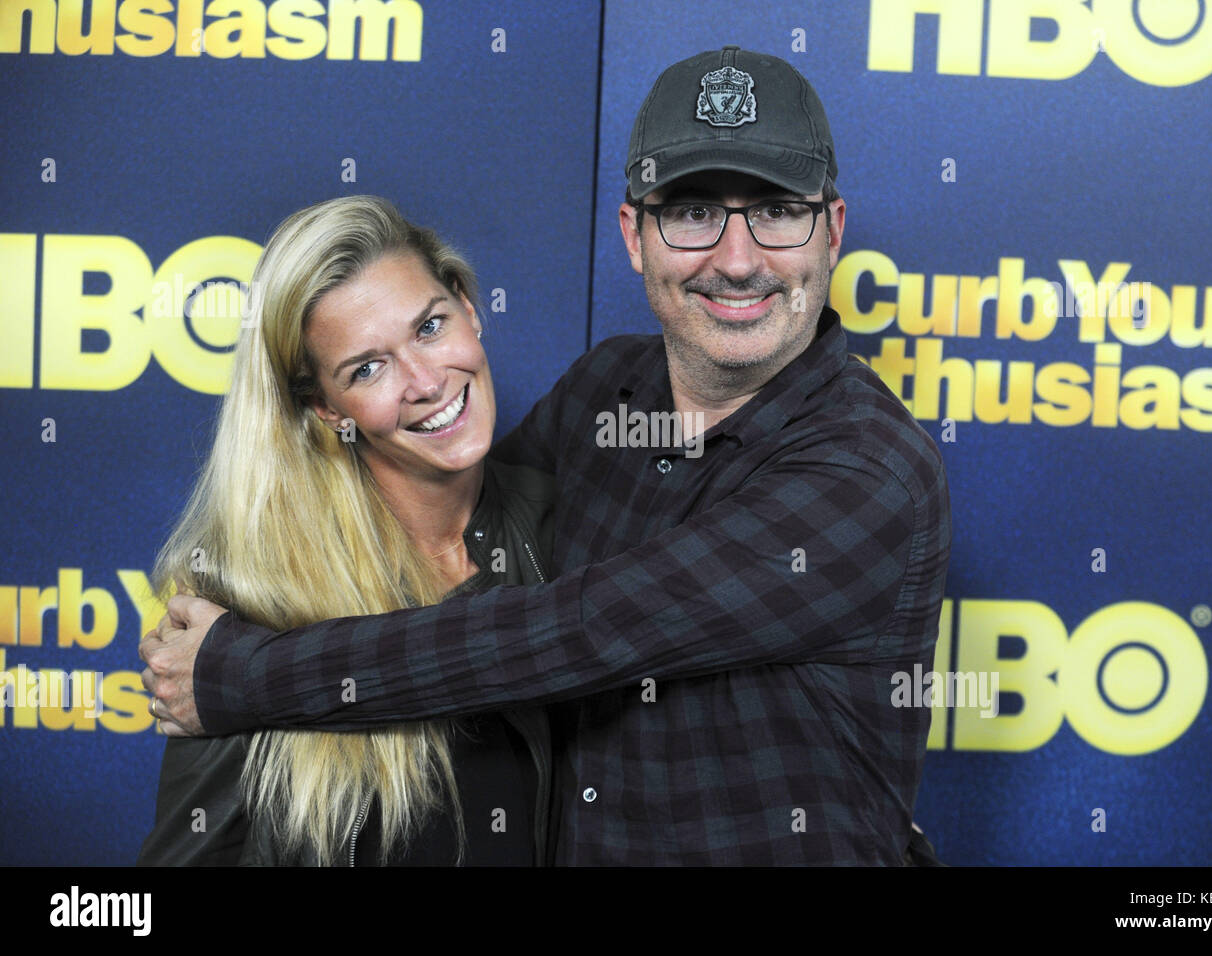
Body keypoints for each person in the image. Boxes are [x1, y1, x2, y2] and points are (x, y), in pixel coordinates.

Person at [142, 46, 952, 865]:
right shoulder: (605, 394)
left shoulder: (870, 470)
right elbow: (443, 515)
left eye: (778, 211)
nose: (737, 259)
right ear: (636, 236)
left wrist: (245, 677)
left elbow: (581, 631)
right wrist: (276, 564)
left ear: (833, 232)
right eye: (693, 213)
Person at [137, 195, 555, 866]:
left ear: (468, 306)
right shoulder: (257, 597)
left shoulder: (565, 529)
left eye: (429, 326)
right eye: (368, 367)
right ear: (327, 409)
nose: (425, 382)